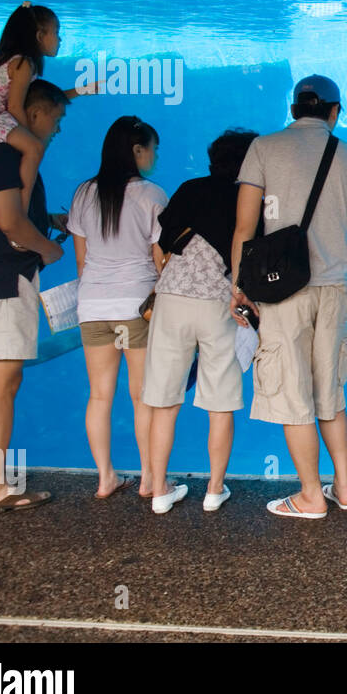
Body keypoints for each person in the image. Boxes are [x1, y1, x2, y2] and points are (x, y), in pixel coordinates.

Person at [231, 76, 347, 519]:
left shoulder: (262, 149)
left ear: (294, 109)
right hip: (332, 289)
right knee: (328, 390)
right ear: (334, 112)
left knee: (293, 394)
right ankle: (344, 489)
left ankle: (311, 495)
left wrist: (240, 289)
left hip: (280, 288)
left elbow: (244, 227)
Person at [0, 79, 68, 512]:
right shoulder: (8, 153)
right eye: (56, 119)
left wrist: (47, 219)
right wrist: (49, 248)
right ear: (36, 113)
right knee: (3, 384)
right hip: (6, 278)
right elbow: (9, 222)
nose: (56, 129)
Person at [143, 129, 259, 515]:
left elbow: (161, 243)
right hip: (218, 301)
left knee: (164, 400)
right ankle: (214, 490)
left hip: (173, 299)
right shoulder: (250, 197)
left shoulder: (190, 187)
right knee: (220, 402)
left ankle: (159, 491)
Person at [67, 116, 168, 500]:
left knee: (98, 396)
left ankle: (105, 477)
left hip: (92, 304)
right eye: (153, 149)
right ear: (137, 150)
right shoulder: (152, 195)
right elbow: (161, 260)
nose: (155, 156)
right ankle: (147, 479)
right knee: (141, 395)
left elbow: (82, 260)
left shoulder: (83, 193)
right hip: (136, 306)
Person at [0, 2, 93, 216]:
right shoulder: (24, 64)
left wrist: (81, 90)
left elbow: (44, 101)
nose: (60, 39)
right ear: (39, 36)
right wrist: (28, 138)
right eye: (56, 32)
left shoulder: (21, 63)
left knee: (33, 147)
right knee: (34, 148)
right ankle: (23, 208)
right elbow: (15, 106)